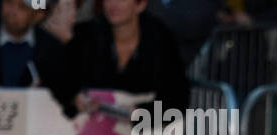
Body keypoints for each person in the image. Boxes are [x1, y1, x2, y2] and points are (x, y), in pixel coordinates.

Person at [60, 0, 190, 118]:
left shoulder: (160, 39)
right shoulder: (83, 35)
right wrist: (74, 99)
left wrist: (141, 112)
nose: (113, 4)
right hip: (85, 130)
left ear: (140, 5)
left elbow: (178, 99)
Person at [0, 0, 75, 104]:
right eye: (9, 3)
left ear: (38, 15)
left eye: (22, 7)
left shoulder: (52, 49)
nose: (12, 11)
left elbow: (63, 95)